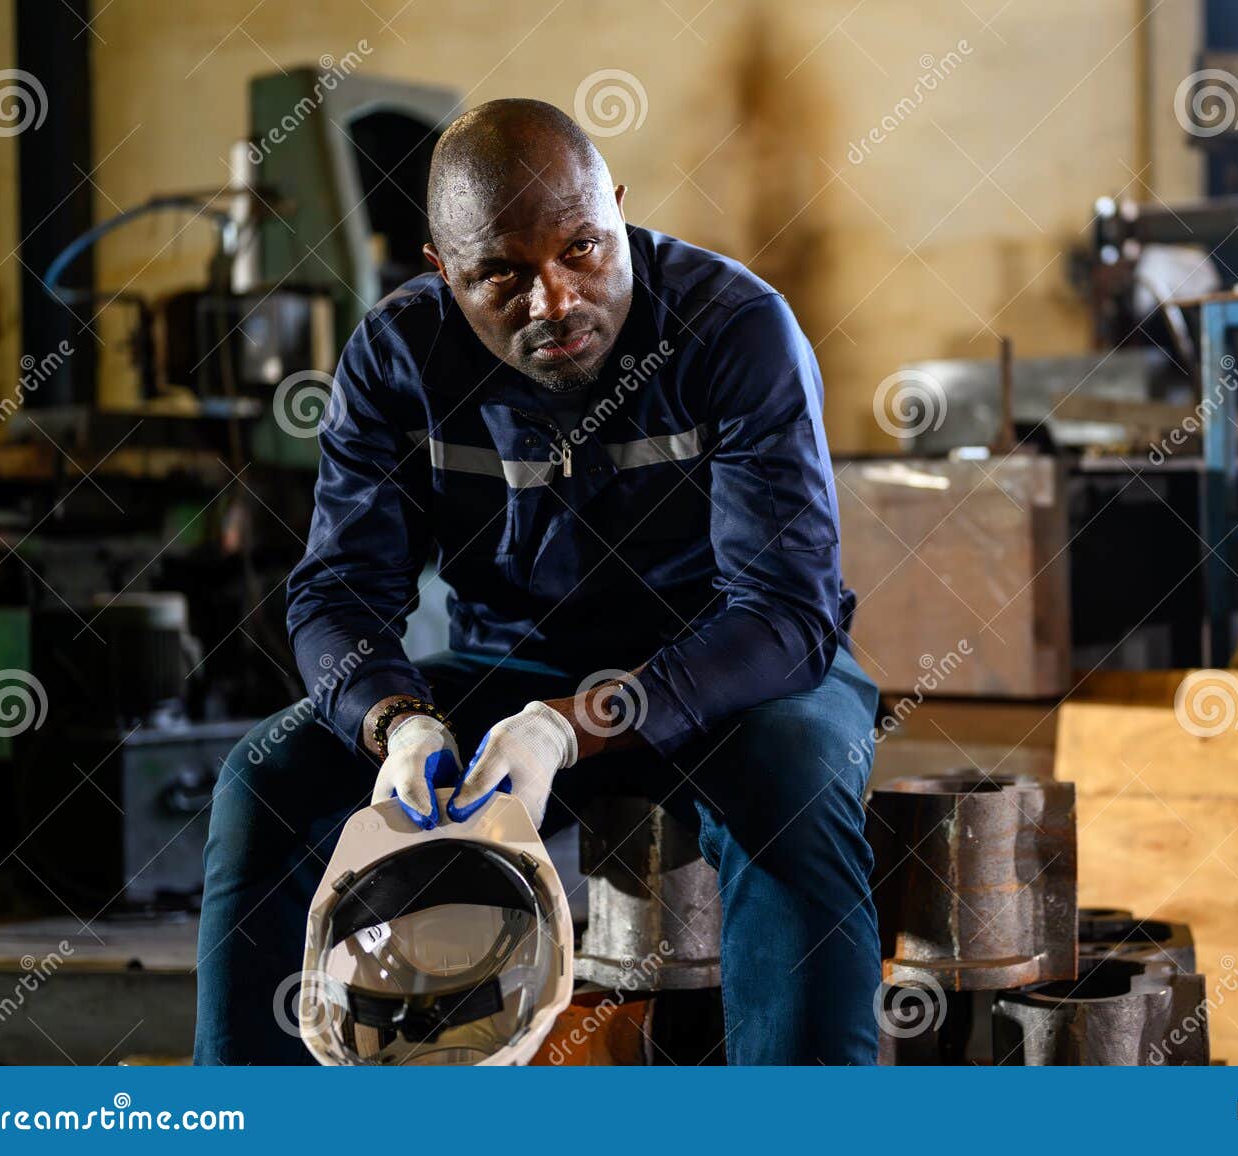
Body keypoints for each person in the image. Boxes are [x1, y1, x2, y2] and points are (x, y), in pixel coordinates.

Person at [193, 98, 882, 1065]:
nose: (554, 301)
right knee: (264, 783)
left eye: (583, 251)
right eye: (501, 276)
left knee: (795, 787)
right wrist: (398, 722)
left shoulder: (737, 329)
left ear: (620, 210)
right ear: (442, 272)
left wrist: (577, 721)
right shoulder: (399, 356)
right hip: (508, 670)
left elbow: (784, 613)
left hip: (734, 671)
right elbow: (337, 593)